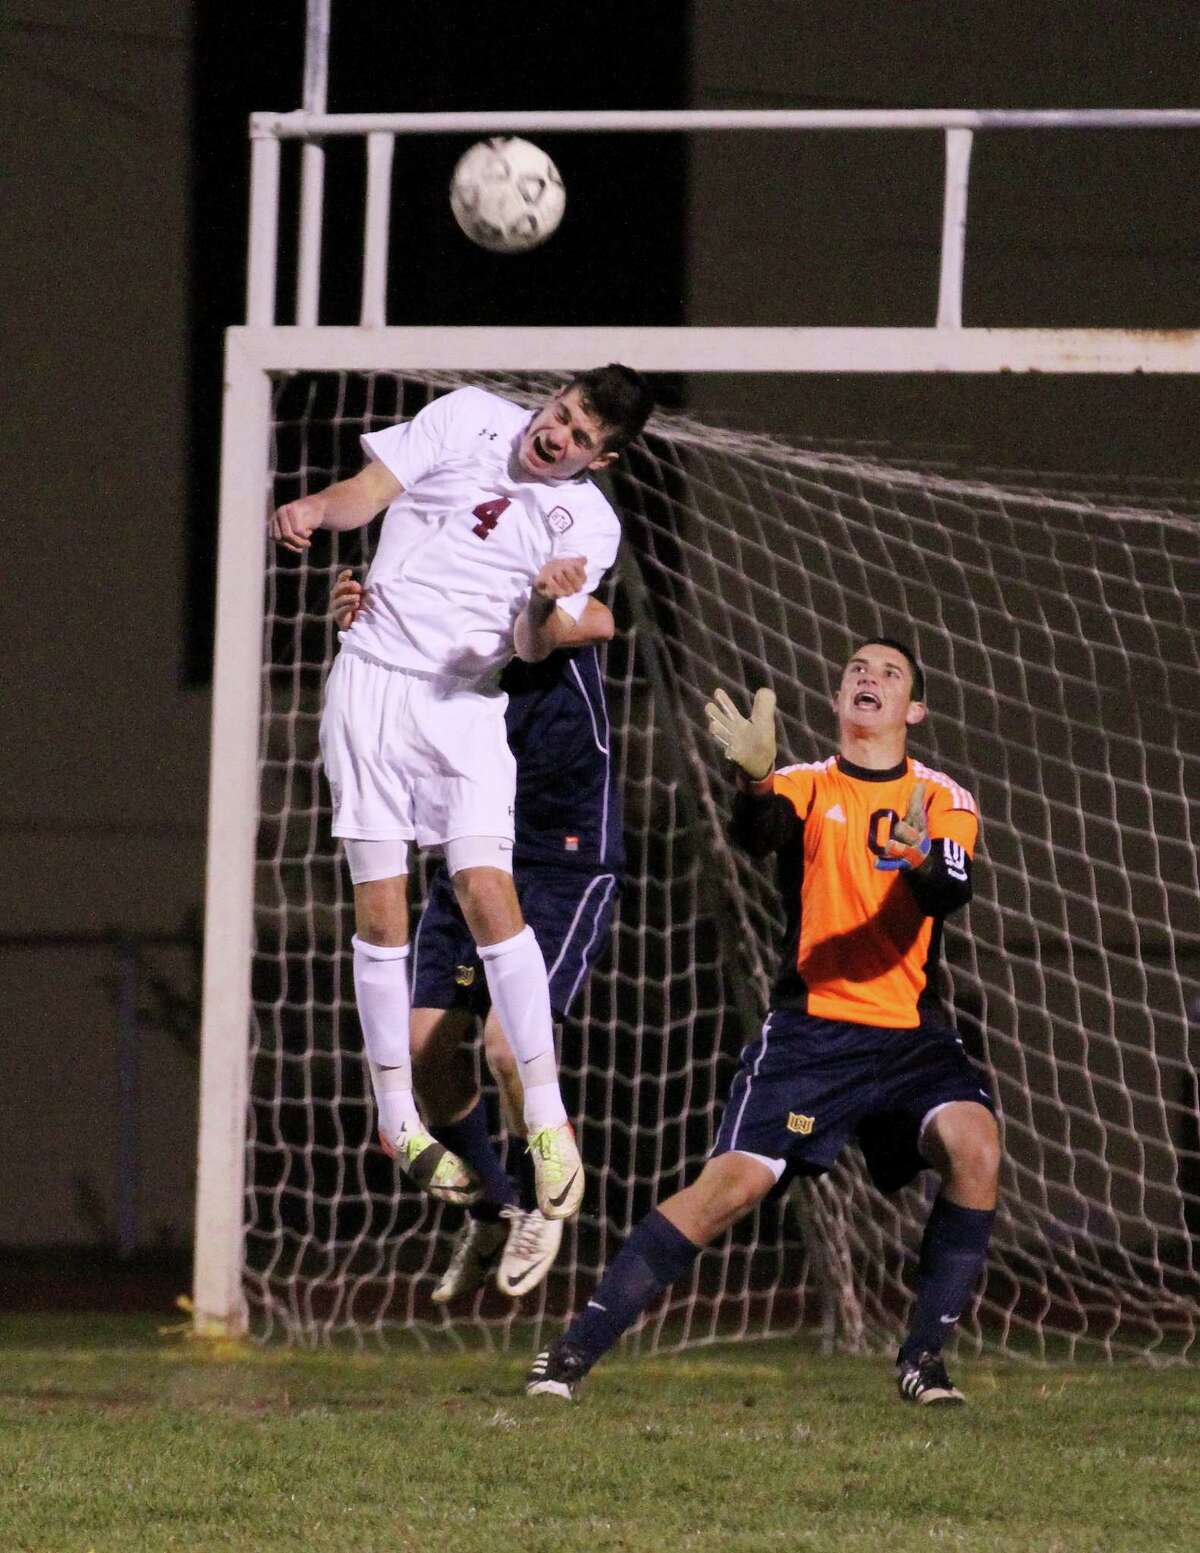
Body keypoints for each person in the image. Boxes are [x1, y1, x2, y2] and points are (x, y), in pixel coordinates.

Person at [526, 638, 1001, 1406]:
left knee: (976, 1145)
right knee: (729, 1188)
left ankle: (924, 1359)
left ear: (914, 708)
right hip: (811, 1034)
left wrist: (917, 858)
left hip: (912, 1035)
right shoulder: (806, 785)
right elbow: (761, 833)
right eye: (855, 668)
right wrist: (750, 779)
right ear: (841, 696)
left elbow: (951, 886)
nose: (867, 678)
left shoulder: (942, 797)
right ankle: (572, 1352)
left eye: (888, 674)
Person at [272, 365, 654, 1223]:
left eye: (581, 437)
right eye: (561, 413)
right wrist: (312, 510)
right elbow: (367, 493)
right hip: (371, 682)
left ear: (602, 458)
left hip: (464, 703)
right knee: (381, 915)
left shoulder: (589, 525)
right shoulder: (470, 416)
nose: (557, 434)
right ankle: (398, 1120)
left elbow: (527, 645)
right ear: (552, 401)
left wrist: (545, 603)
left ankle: (548, 1120)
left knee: (490, 891)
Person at [331, 568, 624, 1301]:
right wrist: (361, 617)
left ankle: (538, 1199)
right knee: (424, 1050)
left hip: (561, 855)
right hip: (473, 845)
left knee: (506, 1045)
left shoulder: (525, 579)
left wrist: (536, 608)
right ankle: (492, 1206)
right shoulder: (430, 599)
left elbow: (598, 621)